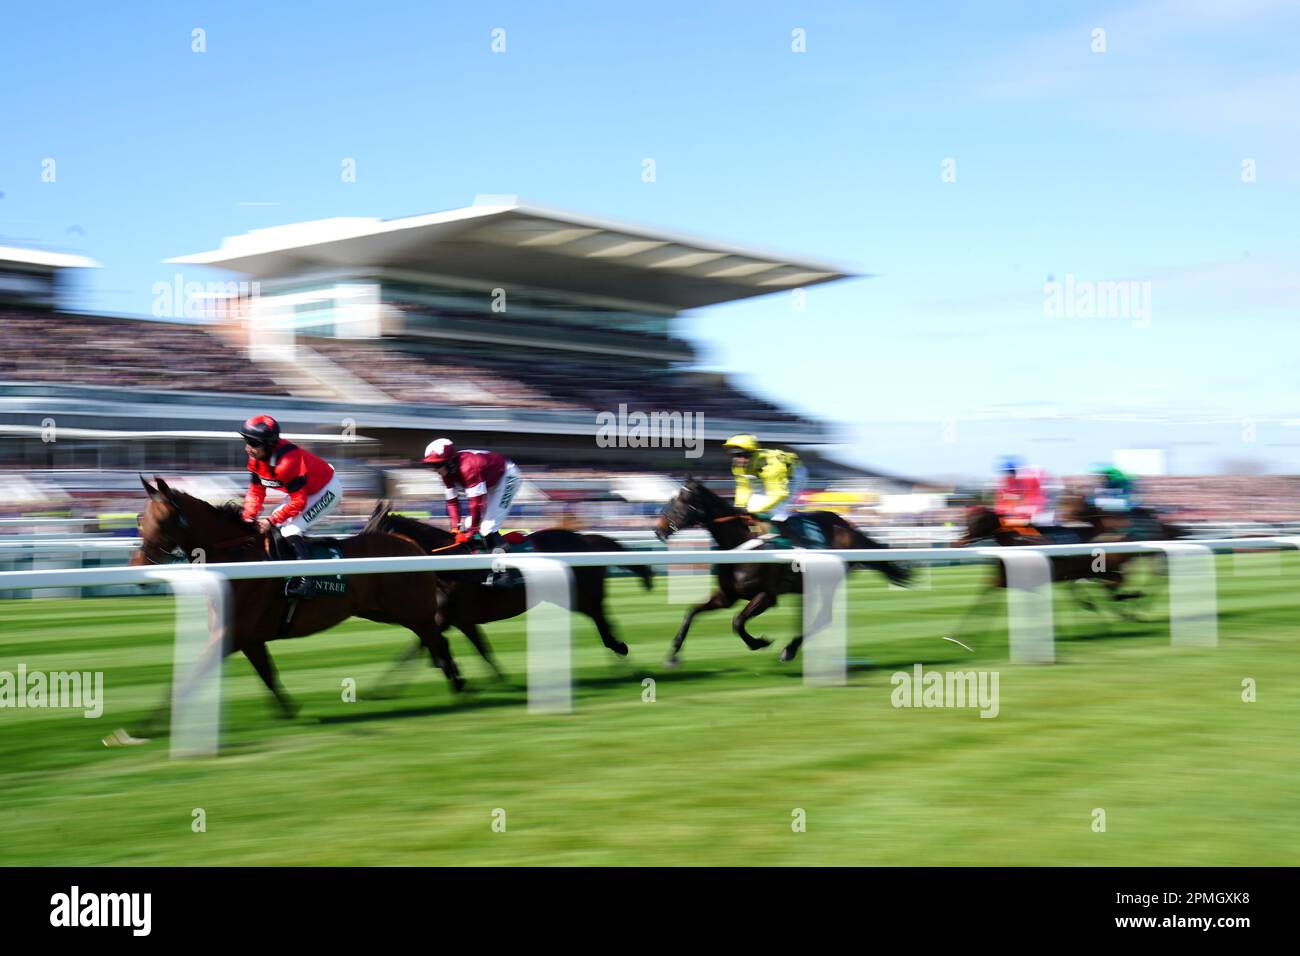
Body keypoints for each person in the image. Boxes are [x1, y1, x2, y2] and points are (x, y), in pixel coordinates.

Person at [239, 415, 342, 599]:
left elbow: (298, 502)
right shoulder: (255, 459)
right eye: (246, 441)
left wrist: (270, 521)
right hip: (306, 490)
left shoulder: (287, 462)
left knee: (291, 529)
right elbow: (256, 491)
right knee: (276, 523)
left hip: (327, 489)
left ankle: (307, 583)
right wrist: (248, 517)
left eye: (253, 443)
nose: (248, 448)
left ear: (269, 444)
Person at [419, 438, 522, 582]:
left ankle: (505, 574)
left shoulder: (468, 467)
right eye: (431, 465)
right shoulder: (447, 473)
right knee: (467, 525)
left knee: (487, 527)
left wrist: (472, 532)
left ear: (449, 462)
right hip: (489, 480)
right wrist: (456, 528)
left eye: (437, 465)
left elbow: (475, 504)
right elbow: (452, 503)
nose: (434, 469)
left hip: (507, 477)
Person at [722, 434, 808, 542]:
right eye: (734, 455)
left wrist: (757, 510)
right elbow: (744, 488)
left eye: (742, 455)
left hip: (794, 475)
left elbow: (779, 494)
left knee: (775, 508)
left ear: (751, 454)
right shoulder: (738, 465)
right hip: (765, 478)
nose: (738, 459)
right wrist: (740, 506)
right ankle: (757, 534)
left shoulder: (770, 464)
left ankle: (792, 539)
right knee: (750, 506)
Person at [992, 455, 1053, 529]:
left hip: (1034, 517)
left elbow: (1037, 503)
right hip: (1014, 519)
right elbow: (1000, 507)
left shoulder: (1030, 480)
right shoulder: (1003, 484)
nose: (1009, 475)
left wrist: (1018, 508)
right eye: (1007, 472)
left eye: (1011, 472)